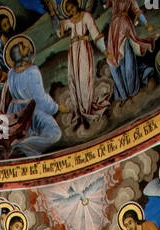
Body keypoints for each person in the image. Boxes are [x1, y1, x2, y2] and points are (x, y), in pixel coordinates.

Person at [0, 37, 62, 157]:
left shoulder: (11, 72)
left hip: (14, 111)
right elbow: (41, 98)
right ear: (19, 54)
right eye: (22, 47)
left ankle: (24, 148)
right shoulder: (32, 71)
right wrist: (56, 108)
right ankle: (22, 145)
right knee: (55, 133)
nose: (26, 46)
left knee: (30, 134)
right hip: (30, 111)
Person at [59, 0, 108, 132]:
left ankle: (86, 113)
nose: (71, 10)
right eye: (68, 9)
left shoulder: (86, 16)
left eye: (72, 6)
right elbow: (61, 28)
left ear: (77, 5)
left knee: (84, 80)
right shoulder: (69, 21)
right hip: (73, 52)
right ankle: (79, 115)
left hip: (84, 50)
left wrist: (105, 51)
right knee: (74, 81)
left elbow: (95, 33)